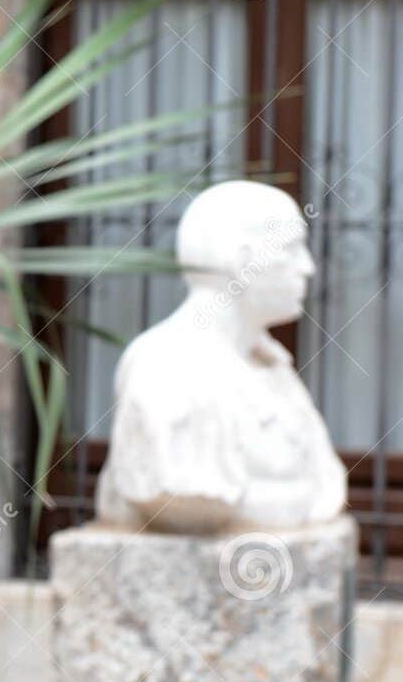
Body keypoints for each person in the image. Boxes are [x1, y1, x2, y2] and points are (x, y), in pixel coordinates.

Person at [96, 179, 346, 533]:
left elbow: (327, 482)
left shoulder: (272, 367)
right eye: (291, 250)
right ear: (241, 260)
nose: (307, 267)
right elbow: (175, 493)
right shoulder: (167, 367)